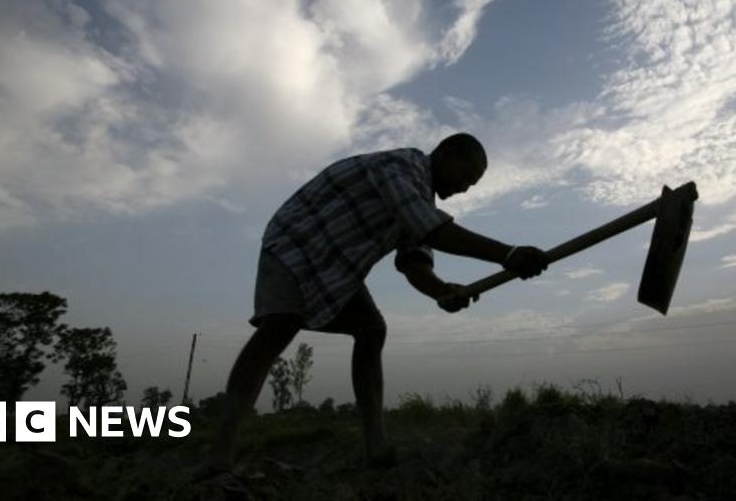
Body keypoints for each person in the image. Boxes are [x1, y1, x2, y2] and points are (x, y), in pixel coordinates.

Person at [202, 133, 548, 475]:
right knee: (278, 327)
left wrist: (441, 291)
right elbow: (431, 231)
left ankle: (376, 449)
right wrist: (509, 254)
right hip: (296, 243)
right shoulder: (399, 166)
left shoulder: (420, 199)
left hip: (337, 266)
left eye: (473, 185)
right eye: (465, 177)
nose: (465, 189)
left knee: (371, 329)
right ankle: (219, 456)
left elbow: (415, 262)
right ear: (444, 154)